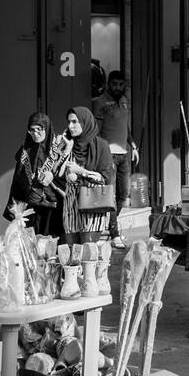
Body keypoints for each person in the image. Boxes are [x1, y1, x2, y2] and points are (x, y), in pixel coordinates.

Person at [59, 107, 117, 246]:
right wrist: (66, 149)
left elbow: (105, 178)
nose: (70, 126)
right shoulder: (68, 145)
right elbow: (57, 173)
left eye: (75, 122)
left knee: (88, 251)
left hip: (92, 205)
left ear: (85, 122)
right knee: (72, 250)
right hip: (71, 206)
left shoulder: (101, 145)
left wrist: (80, 171)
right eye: (69, 122)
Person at [94, 70, 139, 248]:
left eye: (121, 84)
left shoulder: (124, 101)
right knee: (110, 195)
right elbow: (96, 130)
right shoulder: (100, 102)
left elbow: (125, 127)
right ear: (108, 84)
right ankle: (114, 234)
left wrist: (133, 145)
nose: (118, 87)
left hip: (124, 153)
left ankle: (107, 225)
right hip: (108, 154)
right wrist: (99, 153)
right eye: (114, 84)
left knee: (123, 194)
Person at [5, 112, 62, 235]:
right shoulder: (26, 149)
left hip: (51, 206)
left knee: (49, 245)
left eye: (39, 130)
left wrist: (52, 176)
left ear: (46, 129)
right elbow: (17, 179)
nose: (35, 134)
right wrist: (14, 205)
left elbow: (65, 177)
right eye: (32, 130)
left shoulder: (57, 149)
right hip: (29, 206)